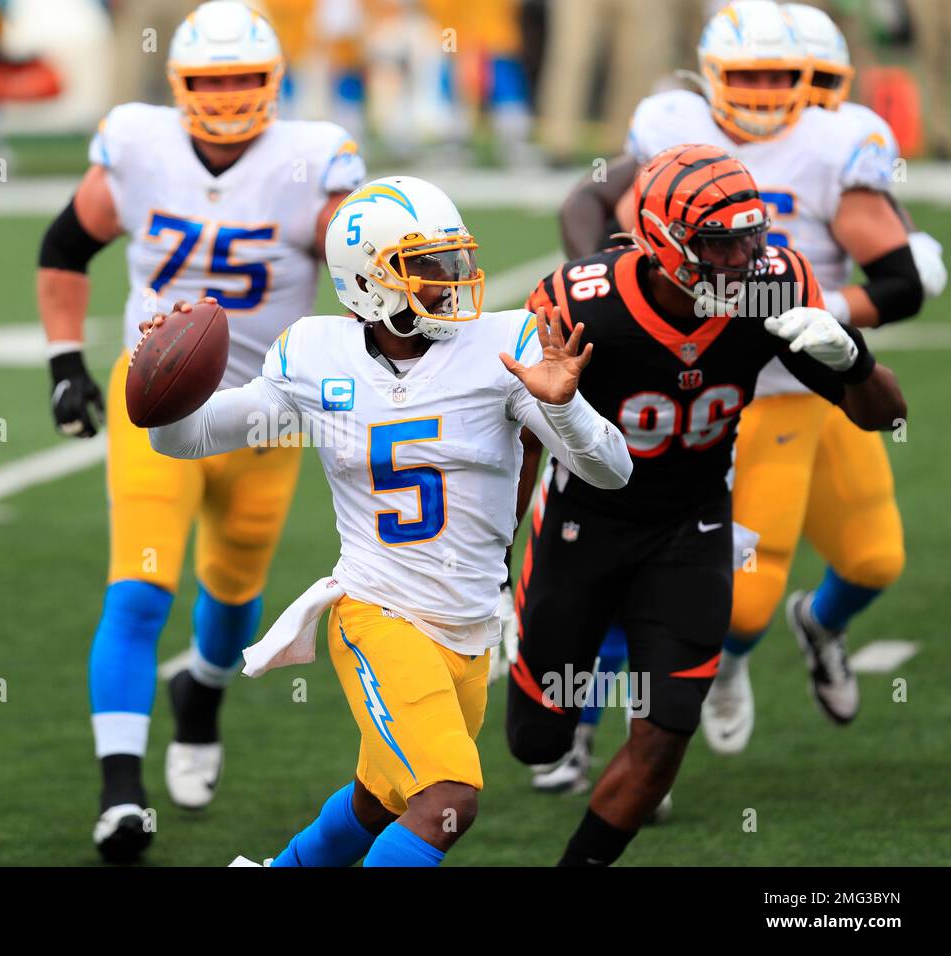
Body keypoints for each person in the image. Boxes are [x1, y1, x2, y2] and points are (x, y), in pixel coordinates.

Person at [148, 174, 632, 867]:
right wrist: (159, 381)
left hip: (467, 625)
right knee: (446, 803)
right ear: (369, 283)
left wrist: (564, 406)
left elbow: (612, 470)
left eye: (453, 259)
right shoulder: (315, 354)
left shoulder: (510, 345)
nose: (451, 279)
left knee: (380, 801)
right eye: (426, 267)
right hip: (377, 611)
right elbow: (187, 438)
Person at [554, 1, 942, 769]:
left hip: (812, 378)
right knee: (738, 589)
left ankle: (820, 625)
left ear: (810, 81)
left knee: (874, 562)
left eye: (779, 76)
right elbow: (604, 215)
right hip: (734, 392)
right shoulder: (672, 129)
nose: (764, 92)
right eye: (747, 75)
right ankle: (668, 698)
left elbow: (901, 278)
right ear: (711, 77)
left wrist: (817, 315)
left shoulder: (835, 144)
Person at [506, 143, 907, 866]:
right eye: (721, 246)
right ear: (662, 242)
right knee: (535, 739)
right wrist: (494, 546)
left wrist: (854, 358)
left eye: (753, 238)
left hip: (691, 525)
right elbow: (519, 435)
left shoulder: (774, 287)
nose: (743, 260)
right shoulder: (580, 302)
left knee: (663, 736)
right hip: (582, 521)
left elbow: (884, 414)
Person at [35, 0, 365, 863]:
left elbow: (359, 265)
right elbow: (68, 244)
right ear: (180, 86)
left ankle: (204, 698)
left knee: (231, 601)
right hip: (160, 395)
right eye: (209, 82)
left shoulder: (312, 160)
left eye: (242, 80)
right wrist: (65, 362)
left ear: (274, 84)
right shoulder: (139, 147)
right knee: (140, 591)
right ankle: (119, 794)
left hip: (268, 407)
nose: (224, 98)